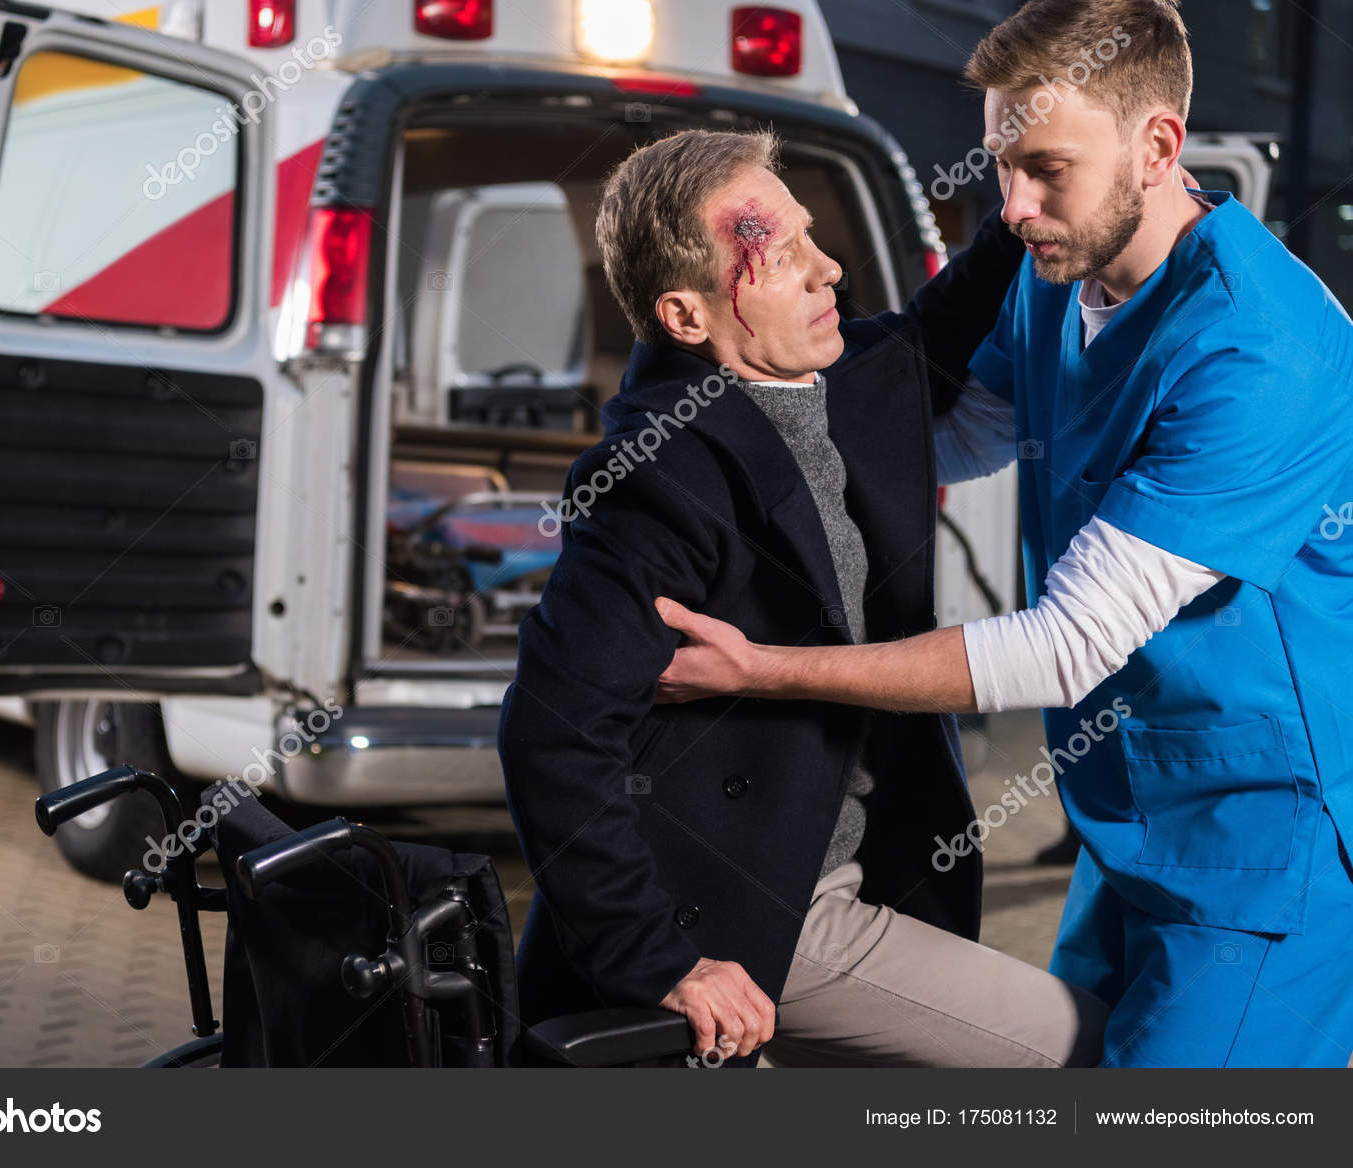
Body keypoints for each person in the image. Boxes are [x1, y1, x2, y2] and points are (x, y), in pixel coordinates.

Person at [653, 0, 1353, 1068]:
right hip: (1132, 807)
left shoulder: (1259, 348)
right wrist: (716, 452)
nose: (1013, 209)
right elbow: (951, 439)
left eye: (1045, 169)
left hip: (1267, 833)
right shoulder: (1054, 276)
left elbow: (1065, 642)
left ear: (1158, 146)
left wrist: (764, 667)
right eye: (998, 166)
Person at [499, 128, 1106, 1068]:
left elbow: (942, 320)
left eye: (811, 237)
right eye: (781, 257)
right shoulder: (656, 477)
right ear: (687, 317)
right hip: (764, 915)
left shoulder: (827, 380)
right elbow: (551, 735)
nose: (829, 270)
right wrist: (661, 958)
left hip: (867, 869)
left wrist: (1026, 186)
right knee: (1087, 1047)